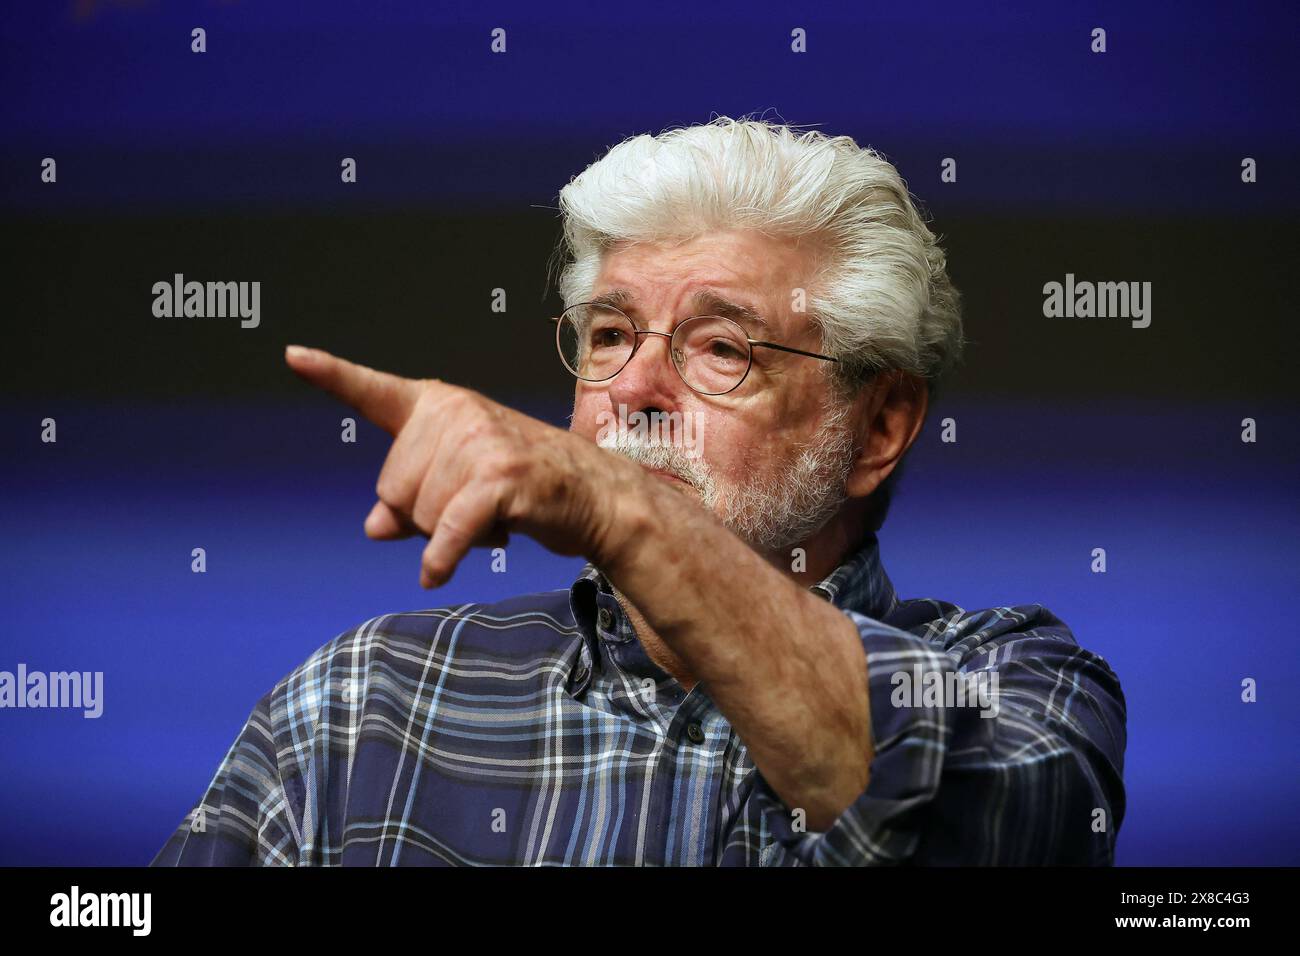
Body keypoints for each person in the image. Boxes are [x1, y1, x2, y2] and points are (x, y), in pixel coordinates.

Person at [152, 116, 1125, 866]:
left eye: (719, 347)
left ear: (877, 427)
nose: (633, 389)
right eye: (611, 335)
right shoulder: (364, 704)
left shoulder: (1016, 684)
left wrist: (623, 509)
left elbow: (979, 814)